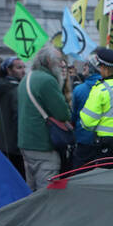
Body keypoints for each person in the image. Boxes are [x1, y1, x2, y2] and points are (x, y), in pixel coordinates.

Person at [17, 44, 72, 191]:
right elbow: (63, 114)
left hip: (27, 142)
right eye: (59, 60)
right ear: (48, 60)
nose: (62, 64)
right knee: (47, 193)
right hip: (43, 145)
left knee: (32, 190)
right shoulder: (47, 81)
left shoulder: (27, 78)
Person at [0, 56, 26, 176]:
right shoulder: (15, 89)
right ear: (9, 70)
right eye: (19, 68)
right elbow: (19, 117)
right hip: (15, 142)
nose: (23, 71)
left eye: (24, 67)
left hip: (2, 141)